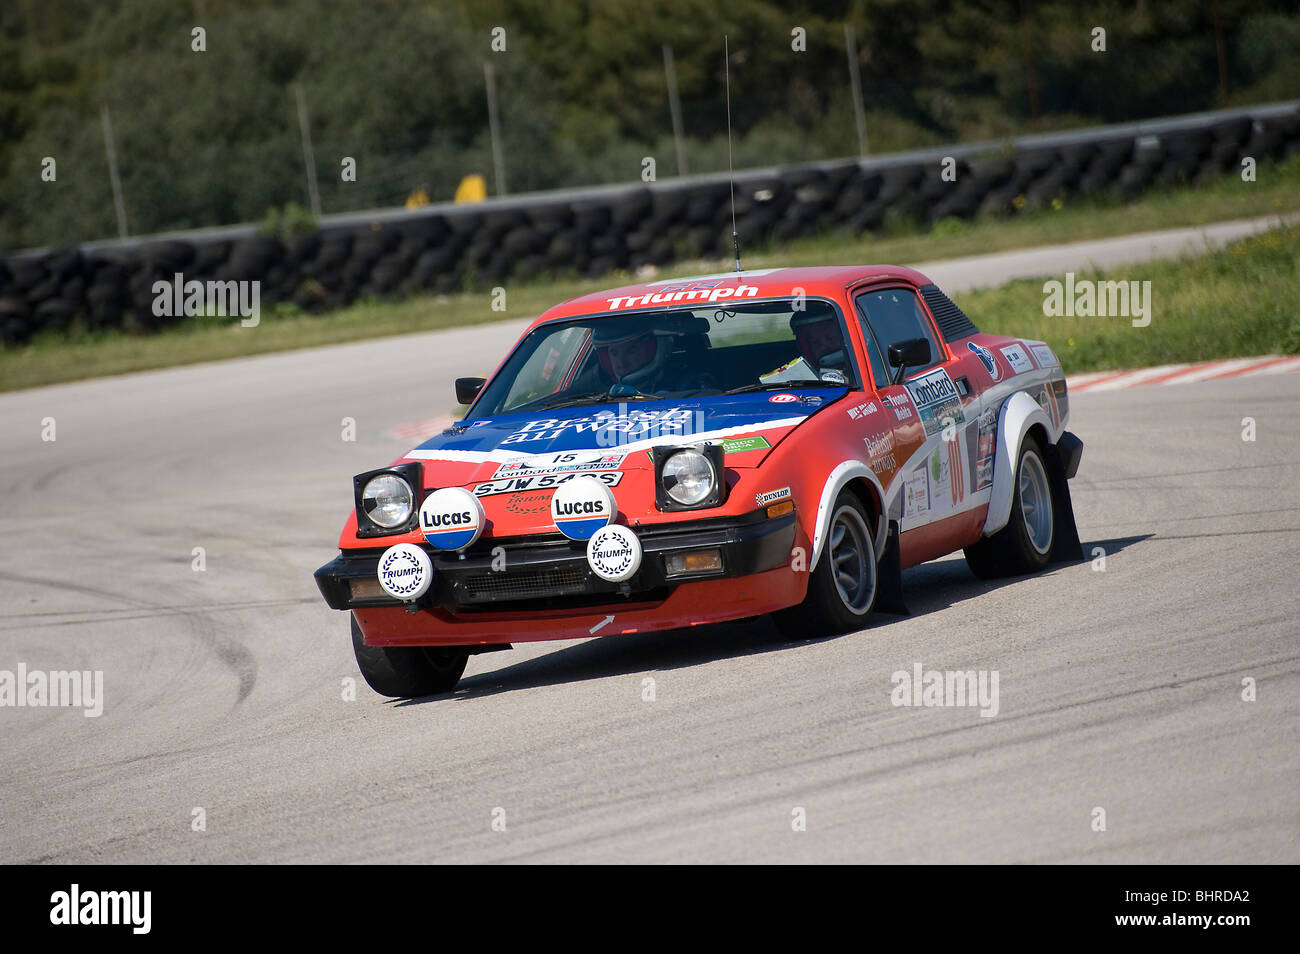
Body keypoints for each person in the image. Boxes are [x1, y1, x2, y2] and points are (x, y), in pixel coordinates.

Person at [590, 320, 713, 394]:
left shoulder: (690, 383)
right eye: (614, 353)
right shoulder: (593, 393)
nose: (621, 363)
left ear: (654, 350)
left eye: (631, 350)